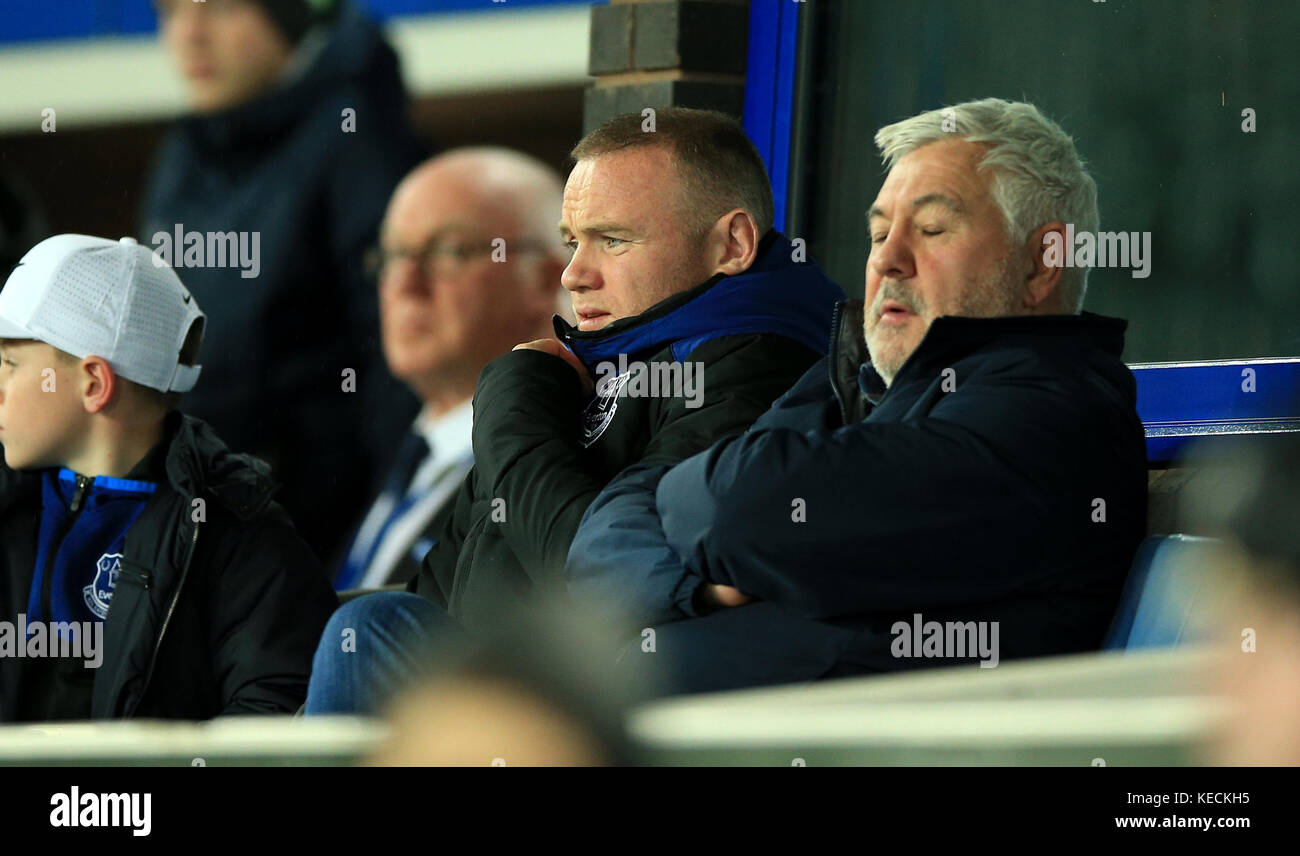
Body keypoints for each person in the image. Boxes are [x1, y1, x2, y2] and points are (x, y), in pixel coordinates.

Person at [566, 98, 1149, 694]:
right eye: (878, 233)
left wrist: (694, 502)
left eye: (931, 230)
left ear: (1043, 261)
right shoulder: (849, 378)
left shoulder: (1053, 413)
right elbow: (606, 531)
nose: (888, 261)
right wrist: (697, 584)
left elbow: (741, 505)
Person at [306, 108, 845, 714]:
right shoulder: (590, 367)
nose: (574, 275)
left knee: (374, 627)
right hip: (497, 712)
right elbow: (443, 589)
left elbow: (604, 578)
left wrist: (516, 408)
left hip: (583, 719)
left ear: (732, 243)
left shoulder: (759, 370)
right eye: (572, 241)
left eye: (612, 239)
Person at [0, 234, 337, 721]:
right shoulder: (13, 505)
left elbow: (271, 723)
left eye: (10, 364)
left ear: (94, 383)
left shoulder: (238, 538)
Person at [142, 0, 428, 562]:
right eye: (170, 12)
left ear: (290, 16)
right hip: (201, 523)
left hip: (311, 538)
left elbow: (396, 360)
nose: (190, 35)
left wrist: (377, 546)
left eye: (219, 9)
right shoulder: (184, 155)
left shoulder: (355, 139)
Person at [335, 148, 568, 591]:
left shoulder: (553, 469)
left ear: (544, 279)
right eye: (393, 256)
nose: (405, 285)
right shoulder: (395, 459)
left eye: (450, 250)